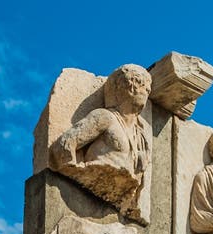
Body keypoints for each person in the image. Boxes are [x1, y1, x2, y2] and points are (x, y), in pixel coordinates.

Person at [50, 64, 152, 215]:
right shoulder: (105, 117)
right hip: (88, 189)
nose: (148, 91)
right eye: (144, 86)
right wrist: (77, 172)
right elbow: (63, 146)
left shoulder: (140, 135)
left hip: (118, 200)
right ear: (130, 87)